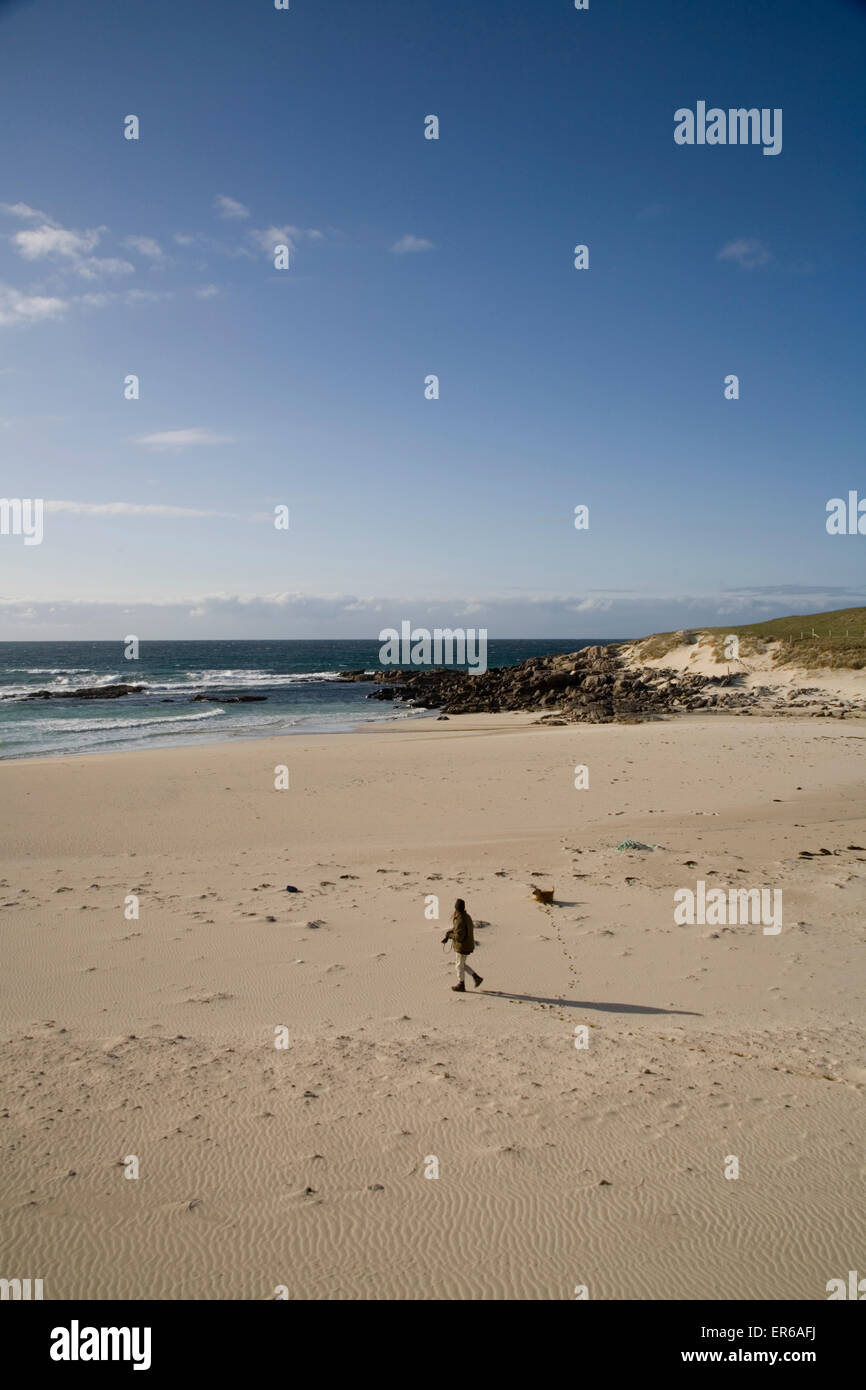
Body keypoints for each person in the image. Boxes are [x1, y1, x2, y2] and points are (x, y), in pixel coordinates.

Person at [441, 898, 483, 992]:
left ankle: (461, 985)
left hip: (463, 946)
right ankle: (476, 977)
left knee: (459, 966)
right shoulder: (466, 916)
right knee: (462, 964)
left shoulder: (460, 919)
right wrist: (449, 934)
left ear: (456, 908)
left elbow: (459, 936)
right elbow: (459, 930)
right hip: (467, 945)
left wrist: (450, 935)